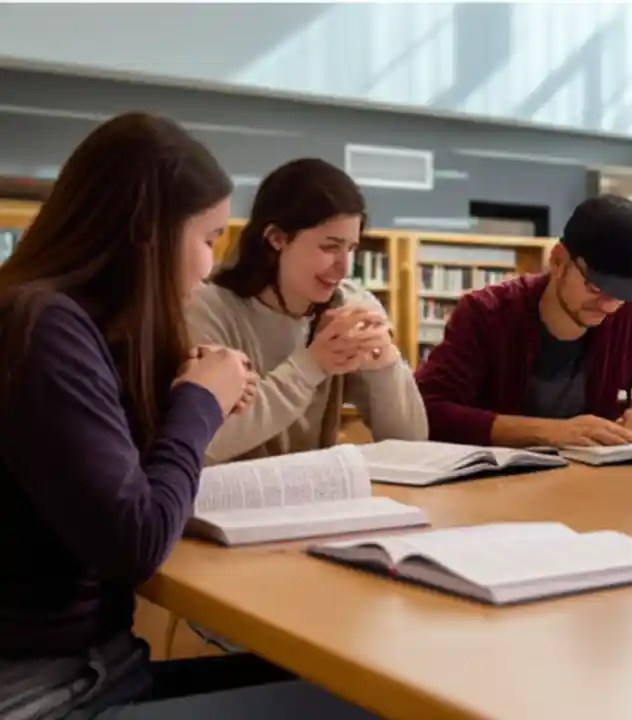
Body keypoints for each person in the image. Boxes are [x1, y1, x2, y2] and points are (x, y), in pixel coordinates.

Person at [0, 113, 373, 717]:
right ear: (148, 234)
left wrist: (184, 399)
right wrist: (199, 404)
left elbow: (116, 479)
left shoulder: (60, 321)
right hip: (54, 686)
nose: (209, 266)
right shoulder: (44, 328)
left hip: (89, 664)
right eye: (207, 238)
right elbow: (137, 541)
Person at [416, 194, 632, 448]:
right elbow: (428, 411)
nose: (610, 305)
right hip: (495, 490)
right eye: (596, 287)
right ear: (558, 261)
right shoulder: (486, 313)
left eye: (622, 293)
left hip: (592, 491)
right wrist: (551, 433)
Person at [187, 158, 428, 465]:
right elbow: (204, 442)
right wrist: (313, 364)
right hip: (225, 502)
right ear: (277, 238)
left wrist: (385, 364)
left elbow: (411, 444)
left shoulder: (350, 306)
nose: (344, 268)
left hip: (314, 498)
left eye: (352, 249)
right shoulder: (207, 308)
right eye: (330, 247)